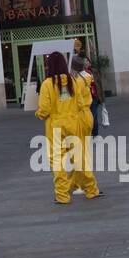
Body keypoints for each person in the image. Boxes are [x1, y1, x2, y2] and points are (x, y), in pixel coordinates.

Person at [37, 51, 99, 203]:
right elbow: (79, 103)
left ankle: (62, 195)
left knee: (57, 161)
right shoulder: (72, 81)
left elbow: (44, 109)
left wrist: (40, 114)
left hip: (55, 126)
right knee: (79, 158)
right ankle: (91, 190)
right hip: (73, 123)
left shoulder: (47, 84)